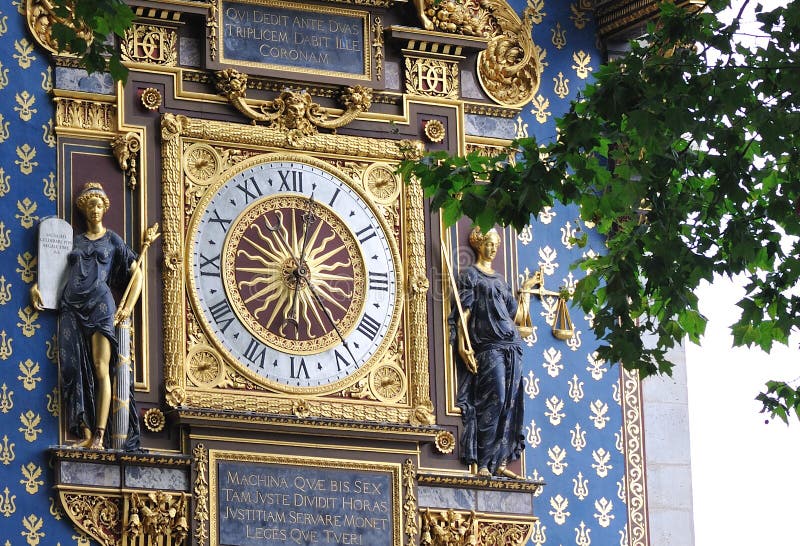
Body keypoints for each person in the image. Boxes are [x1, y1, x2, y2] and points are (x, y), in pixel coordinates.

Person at [31, 182, 142, 450]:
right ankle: (87, 432)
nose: (94, 209)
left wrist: (127, 307)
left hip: (100, 305)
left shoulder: (113, 239)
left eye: (99, 204)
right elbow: (54, 273)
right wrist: (38, 287)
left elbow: (136, 274)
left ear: (105, 208)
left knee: (100, 367)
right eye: (90, 204)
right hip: (72, 304)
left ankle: (101, 436)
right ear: (83, 209)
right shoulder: (74, 241)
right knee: (73, 367)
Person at [450, 227, 534, 478]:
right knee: (494, 399)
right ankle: (483, 463)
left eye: (496, 243)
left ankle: (500, 462)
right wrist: (464, 346)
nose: (493, 248)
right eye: (489, 243)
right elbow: (462, 316)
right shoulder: (471, 276)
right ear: (478, 245)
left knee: (509, 403)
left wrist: (526, 291)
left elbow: (514, 316)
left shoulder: (500, 280)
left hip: (513, 346)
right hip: (489, 347)